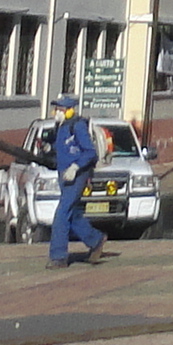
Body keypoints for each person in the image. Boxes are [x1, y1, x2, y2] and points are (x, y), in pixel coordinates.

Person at [45, 99, 107, 266]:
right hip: (64, 176)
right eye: (56, 109)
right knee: (72, 215)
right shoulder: (61, 127)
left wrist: (75, 167)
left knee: (61, 214)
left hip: (77, 175)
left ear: (69, 110)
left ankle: (58, 256)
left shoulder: (77, 126)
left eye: (60, 109)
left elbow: (90, 152)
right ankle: (96, 240)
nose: (56, 112)